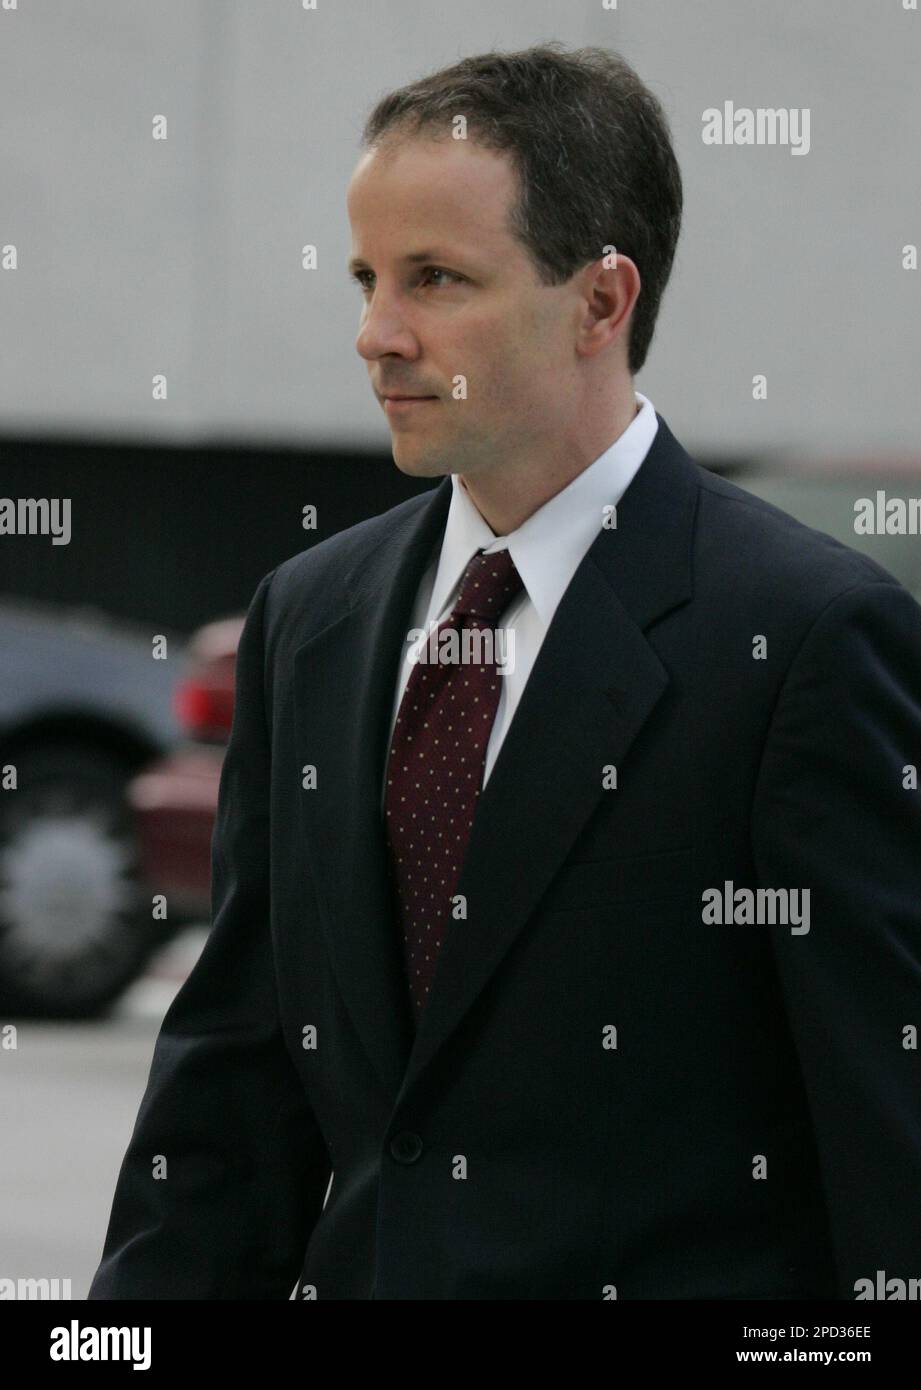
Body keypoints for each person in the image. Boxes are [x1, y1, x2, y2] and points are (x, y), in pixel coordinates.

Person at [89, 43, 921, 1300]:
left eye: (436, 279)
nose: (376, 334)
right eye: (368, 277)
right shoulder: (308, 619)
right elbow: (231, 1094)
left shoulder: (809, 638)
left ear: (600, 301)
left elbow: (888, 1132)